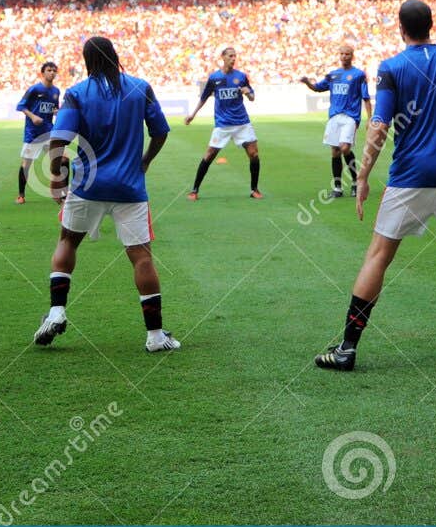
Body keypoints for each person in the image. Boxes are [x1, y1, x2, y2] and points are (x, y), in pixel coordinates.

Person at [315, 0, 436, 372]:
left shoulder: (392, 68)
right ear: (432, 24)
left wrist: (364, 175)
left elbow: (379, 126)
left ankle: (348, 349)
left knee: (378, 256)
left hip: (409, 176)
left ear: (401, 29)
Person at [33, 36, 178, 353]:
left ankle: (57, 311)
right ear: (115, 55)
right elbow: (161, 131)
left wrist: (57, 178)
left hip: (88, 185)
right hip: (130, 187)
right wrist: (146, 160)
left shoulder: (76, 93)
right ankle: (155, 337)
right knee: (141, 256)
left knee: (67, 241)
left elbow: (59, 139)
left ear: (86, 61)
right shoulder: (140, 87)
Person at [184, 46, 261, 200]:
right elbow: (204, 97)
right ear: (223, 57)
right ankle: (194, 190)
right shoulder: (214, 78)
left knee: (253, 153)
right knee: (210, 154)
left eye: (235, 56)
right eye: (230, 56)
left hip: (242, 122)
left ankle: (254, 189)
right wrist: (193, 114)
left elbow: (252, 96)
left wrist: (249, 94)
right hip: (223, 124)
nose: (233, 59)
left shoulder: (241, 76)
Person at [300, 43, 370, 198]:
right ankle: (338, 187)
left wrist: (370, 118)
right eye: (342, 54)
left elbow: (365, 97)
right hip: (334, 117)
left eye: (347, 54)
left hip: (350, 117)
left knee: (345, 148)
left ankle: (355, 182)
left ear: (353, 56)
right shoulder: (333, 75)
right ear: (339, 55)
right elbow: (318, 88)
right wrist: (307, 83)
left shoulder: (358, 75)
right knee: (335, 152)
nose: (344, 57)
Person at [14, 61, 61, 204]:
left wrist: (57, 112)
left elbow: (53, 109)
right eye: (49, 70)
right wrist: (33, 116)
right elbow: (21, 106)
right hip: (33, 134)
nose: (52, 72)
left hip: (49, 131)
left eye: (54, 70)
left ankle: (60, 193)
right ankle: (21, 195)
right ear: (43, 72)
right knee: (26, 164)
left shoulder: (56, 91)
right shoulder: (34, 89)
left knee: (60, 159)